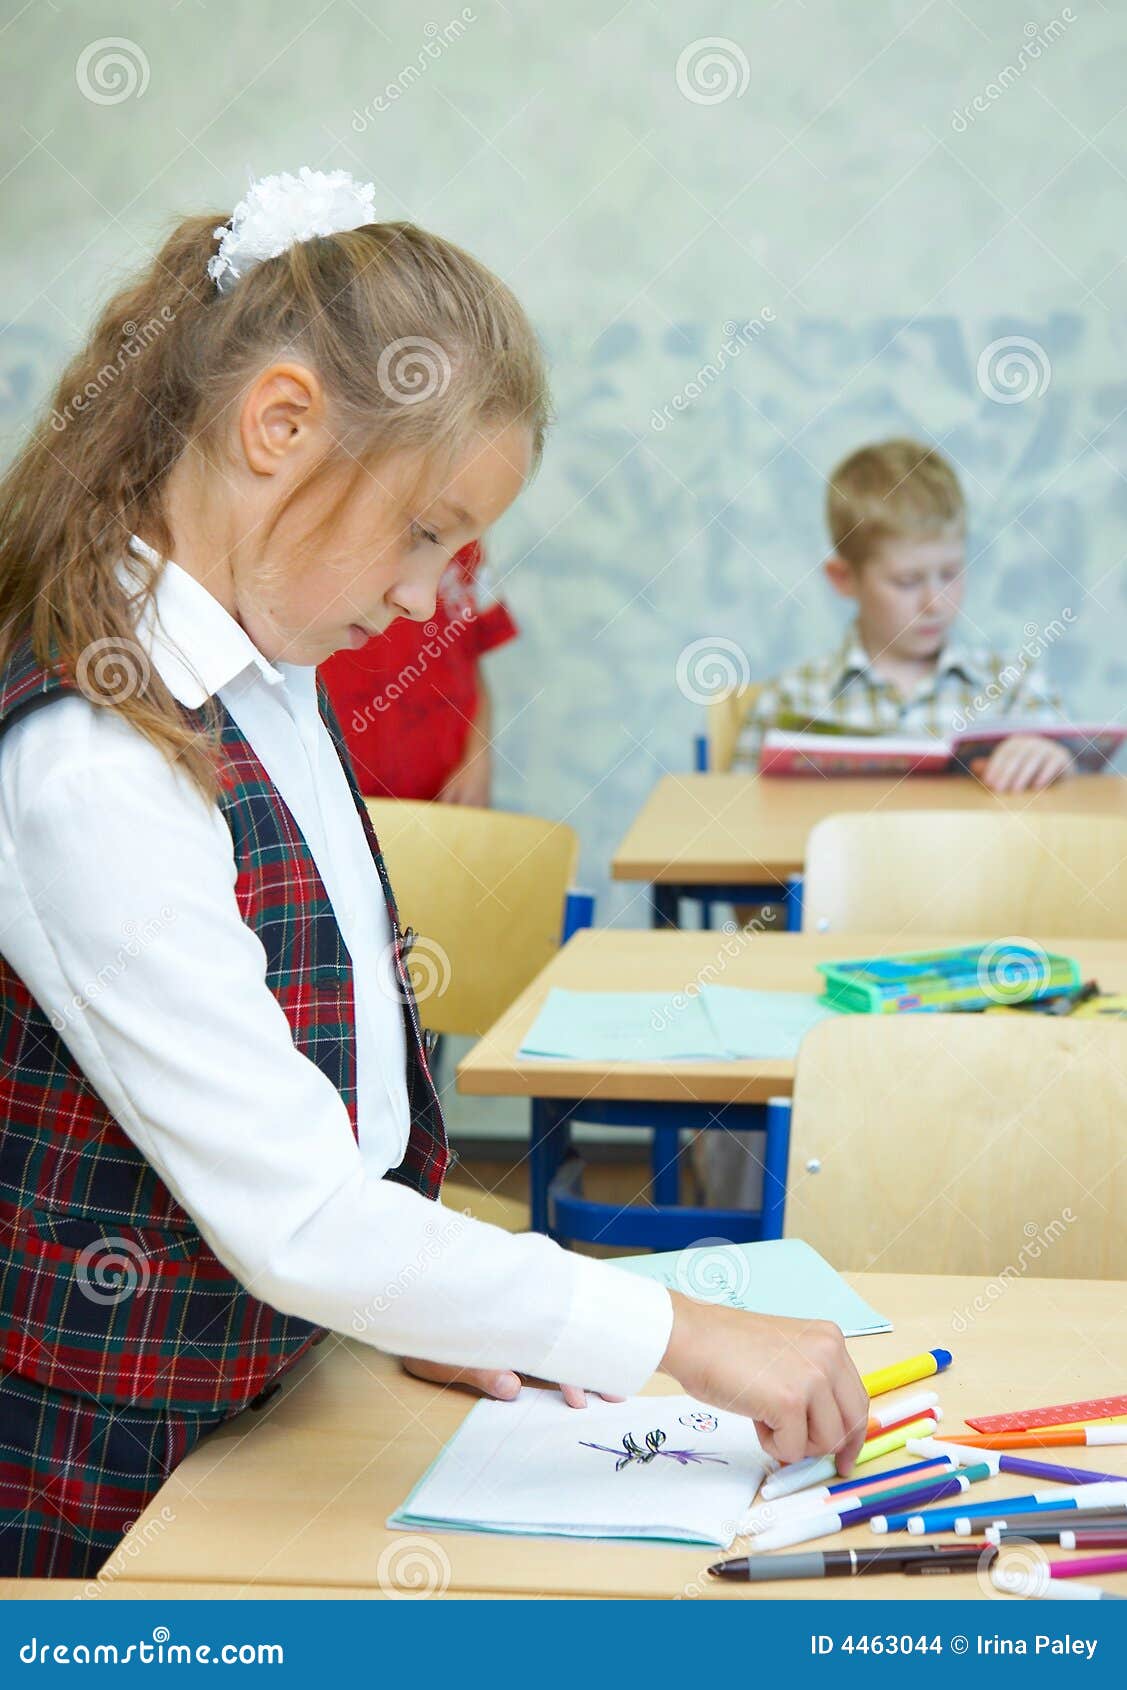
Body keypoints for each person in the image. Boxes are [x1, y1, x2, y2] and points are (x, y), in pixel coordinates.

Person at [0, 169, 866, 1577]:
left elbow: (329, 1123)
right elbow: (297, 1213)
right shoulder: (94, 754)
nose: (424, 596)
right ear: (277, 424)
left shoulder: (260, 661)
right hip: (107, 1493)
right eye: (424, 531)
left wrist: (433, 1305)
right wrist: (684, 1334)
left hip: (277, 1404)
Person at [734, 438, 1071, 791]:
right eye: (907, 581)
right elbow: (736, 828)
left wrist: (1053, 765)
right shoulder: (789, 700)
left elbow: (1077, 822)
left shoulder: (1018, 691)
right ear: (844, 578)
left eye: (950, 573)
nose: (935, 603)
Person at [321, 537, 516, 804]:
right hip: (339, 792)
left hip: (445, 794)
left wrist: (478, 757)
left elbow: (472, 663)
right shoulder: (336, 544)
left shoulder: (467, 544)